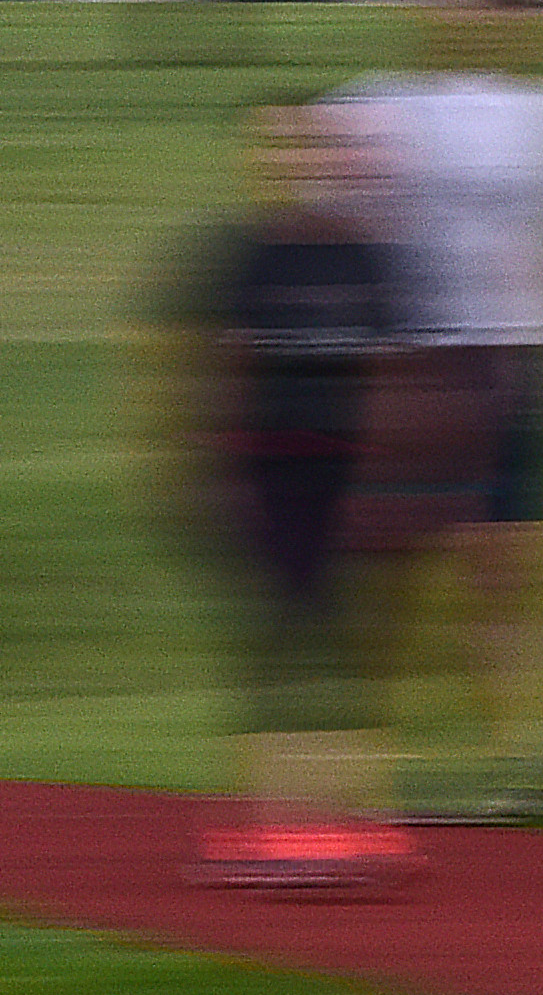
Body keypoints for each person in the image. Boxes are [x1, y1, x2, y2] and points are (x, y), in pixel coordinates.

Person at [334, 0, 543, 825]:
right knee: (398, 572)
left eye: (504, 6)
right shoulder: (371, 108)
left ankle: (524, 761)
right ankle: (378, 756)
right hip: (420, 361)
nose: (481, 22)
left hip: (533, 361)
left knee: (515, 570)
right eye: (456, 3)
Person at [146, 96, 418, 892]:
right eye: (275, 145)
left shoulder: (364, 255)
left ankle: (357, 816)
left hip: (352, 469)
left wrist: (402, 474)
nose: (293, 160)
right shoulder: (232, 256)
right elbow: (185, 363)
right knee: (271, 642)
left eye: (306, 145)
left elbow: (399, 368)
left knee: (357, 647)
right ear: (254, 158)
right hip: (262, 468)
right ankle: (272, 820)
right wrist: (185, 467)